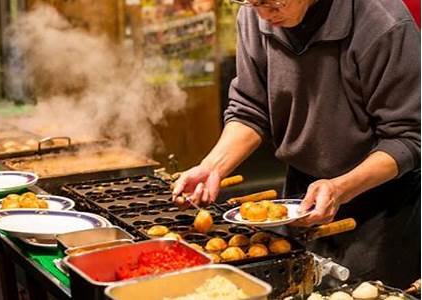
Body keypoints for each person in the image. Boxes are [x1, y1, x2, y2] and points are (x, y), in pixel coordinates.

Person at [172, 0, 420, 288]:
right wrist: (212, 167)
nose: (264, 15)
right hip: (305, 196)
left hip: (383, 202)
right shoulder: (254, 16)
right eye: (252, 3)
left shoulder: (382, 23)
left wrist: (341, 187)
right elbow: (251, 109)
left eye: (273, 3)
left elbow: (408, 136)